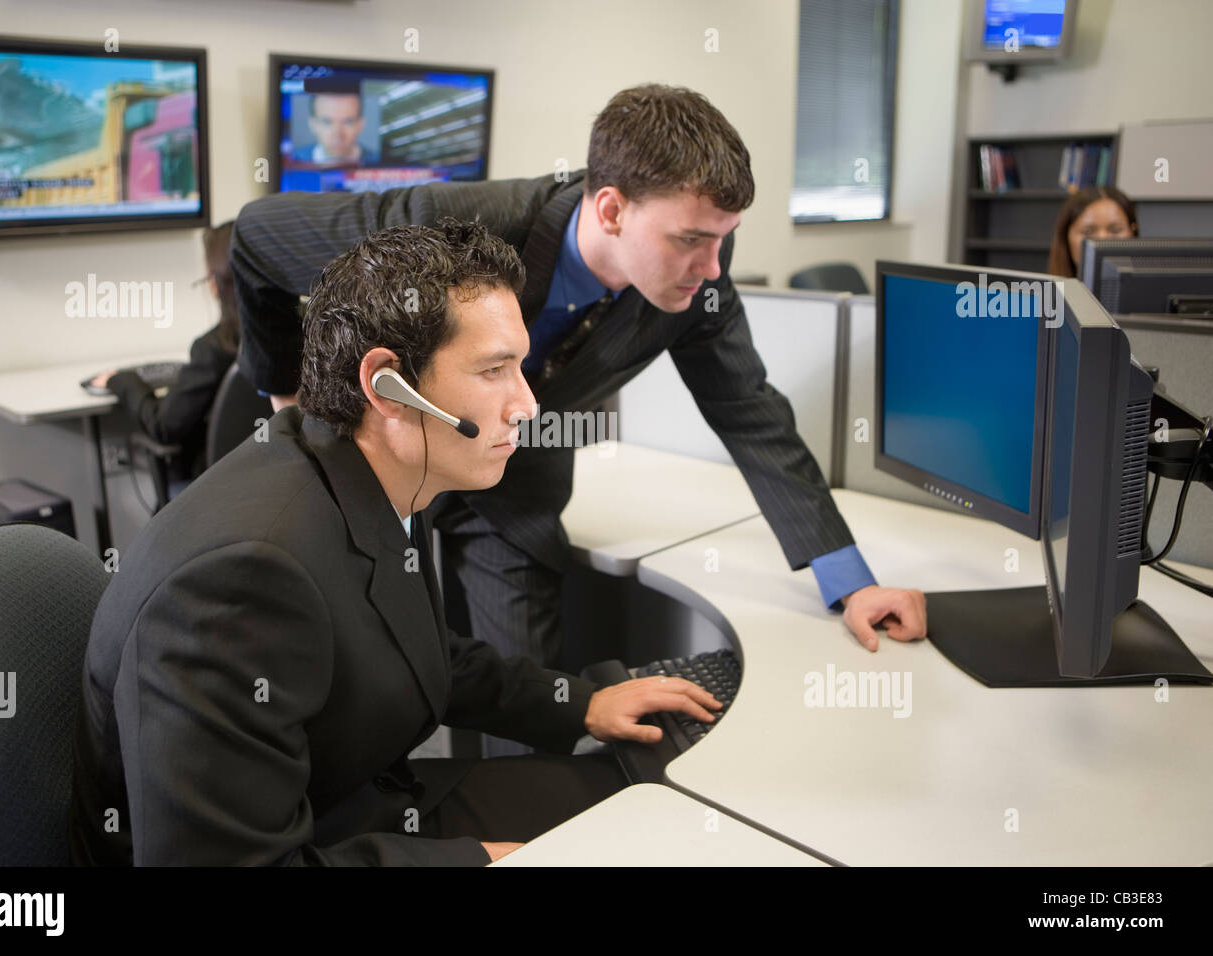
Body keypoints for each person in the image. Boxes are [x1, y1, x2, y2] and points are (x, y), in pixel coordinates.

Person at [232, 84, 927, 755]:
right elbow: (257, 239)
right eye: (690, 238)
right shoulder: (447, 227)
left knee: (536, 707)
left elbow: (746, 407)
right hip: (387, 462)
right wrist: (288, 393)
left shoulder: (697, 273)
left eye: (722, 240)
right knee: (357, 669)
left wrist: (851, 579)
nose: (711, 268)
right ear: (612, 208)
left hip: (512, 482)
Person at [69, 218, 718, 866]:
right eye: (494, 370)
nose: (527, 406)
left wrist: (580, 703)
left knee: (648, 805)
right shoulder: (243, 580)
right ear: (388, 387)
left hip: (365, 805)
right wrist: (473, 861)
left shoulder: (375, 468)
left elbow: (412, 648)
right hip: (314, 841)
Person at [89, 221, 240, 493]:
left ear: (215, 283)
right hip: (278, 486)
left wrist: (122, 381)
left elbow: (165, 427)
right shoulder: (299, 331)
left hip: (213, 492)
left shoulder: (214, 349)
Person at [1047, 185, 1139, 278]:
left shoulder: (1151, 291)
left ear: (1132, 232)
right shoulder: (1045, 291)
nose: (1103, 240)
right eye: (1088, 232)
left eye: (1115, 230)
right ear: (1066, 236)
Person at [291, 90, 379, 166]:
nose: (337, 135)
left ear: (360, 124)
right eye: (327, 122)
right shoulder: (294, 159)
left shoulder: (377, 160)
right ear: (312, 124)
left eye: (348, 121)